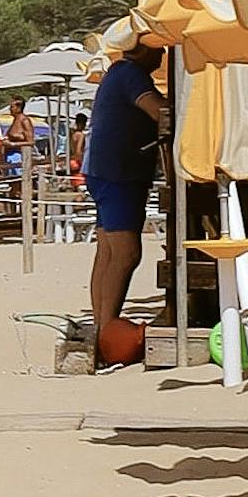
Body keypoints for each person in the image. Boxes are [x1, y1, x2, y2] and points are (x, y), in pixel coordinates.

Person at [84, 38, 166, 359]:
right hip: (119, 173)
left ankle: (101, 328)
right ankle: (107, 334)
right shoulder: (132, 74)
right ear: (143, 48)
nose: (162, 54)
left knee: (106, 251)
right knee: (127, 253)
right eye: (158, 48)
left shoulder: (117, 72)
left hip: (104, 171)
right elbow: (158, 112)